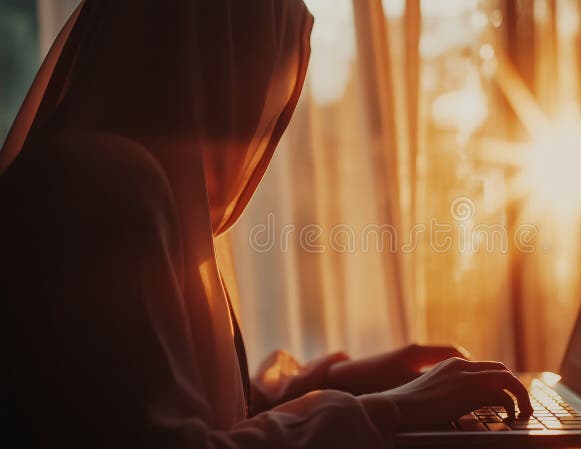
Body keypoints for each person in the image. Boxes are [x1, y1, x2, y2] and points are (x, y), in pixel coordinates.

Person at [0, 1, 532, 448]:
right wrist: (389, 410)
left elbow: (187, 407)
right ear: (219, 71)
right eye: (261, 101)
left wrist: (336, 380)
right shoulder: (100, 189)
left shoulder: (134, 186)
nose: (258, 139)